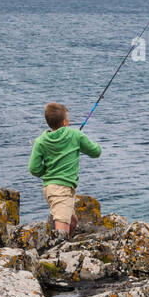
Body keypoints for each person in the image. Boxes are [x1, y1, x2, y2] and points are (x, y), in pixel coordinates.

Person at [28, 101, 101, 237]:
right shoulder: (75, 135)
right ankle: (59, 254)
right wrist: (81, 141)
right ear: (63, 123)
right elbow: (96, 152)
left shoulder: (41, 141)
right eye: (68, 119)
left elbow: (34, 168)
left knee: (73, 221)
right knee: (61, 231)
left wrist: (48, 173)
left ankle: (69, 243)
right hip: (62, 190)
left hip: (50, 188)